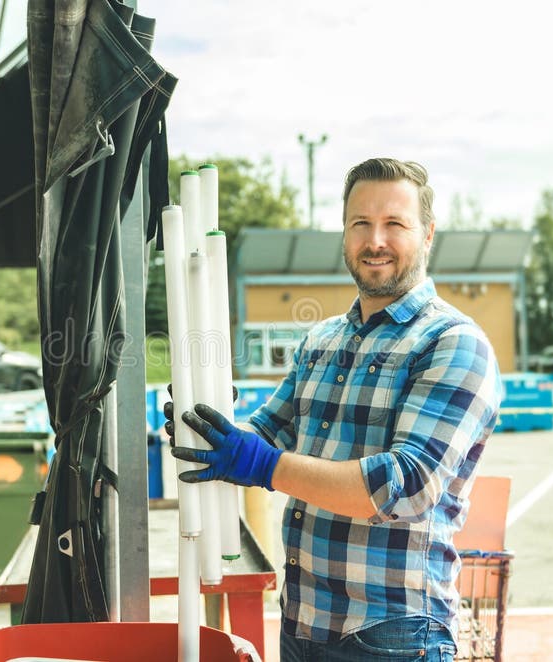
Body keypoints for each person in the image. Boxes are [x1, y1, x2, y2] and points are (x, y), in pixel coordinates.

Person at [168, 157, 502, 661]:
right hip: (304, 624)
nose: (376, 241)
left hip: (393, 634)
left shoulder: (452, 343)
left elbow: (404, 486)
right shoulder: (322, 340)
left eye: (395, 224)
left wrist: (260, 464)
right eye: (361, 224)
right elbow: (266, 435)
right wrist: (209, 425)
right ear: (344, 233)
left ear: (428, 234)